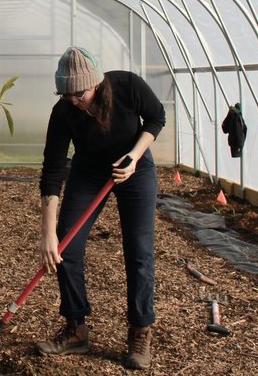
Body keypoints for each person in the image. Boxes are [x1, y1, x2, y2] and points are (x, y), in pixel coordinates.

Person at [36, 46, 166, 370]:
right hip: (89, 172)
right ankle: (75, 328)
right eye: (66, 94)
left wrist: (135, 156)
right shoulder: (64, 112)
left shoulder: (127, 87)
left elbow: (156, 117)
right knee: (66, 244)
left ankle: (140, 330)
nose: (74, 100)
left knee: (139, 250)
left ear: (96, 83)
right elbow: (52, 170)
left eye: (79, 93)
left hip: (133, 167)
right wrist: (48, 232)